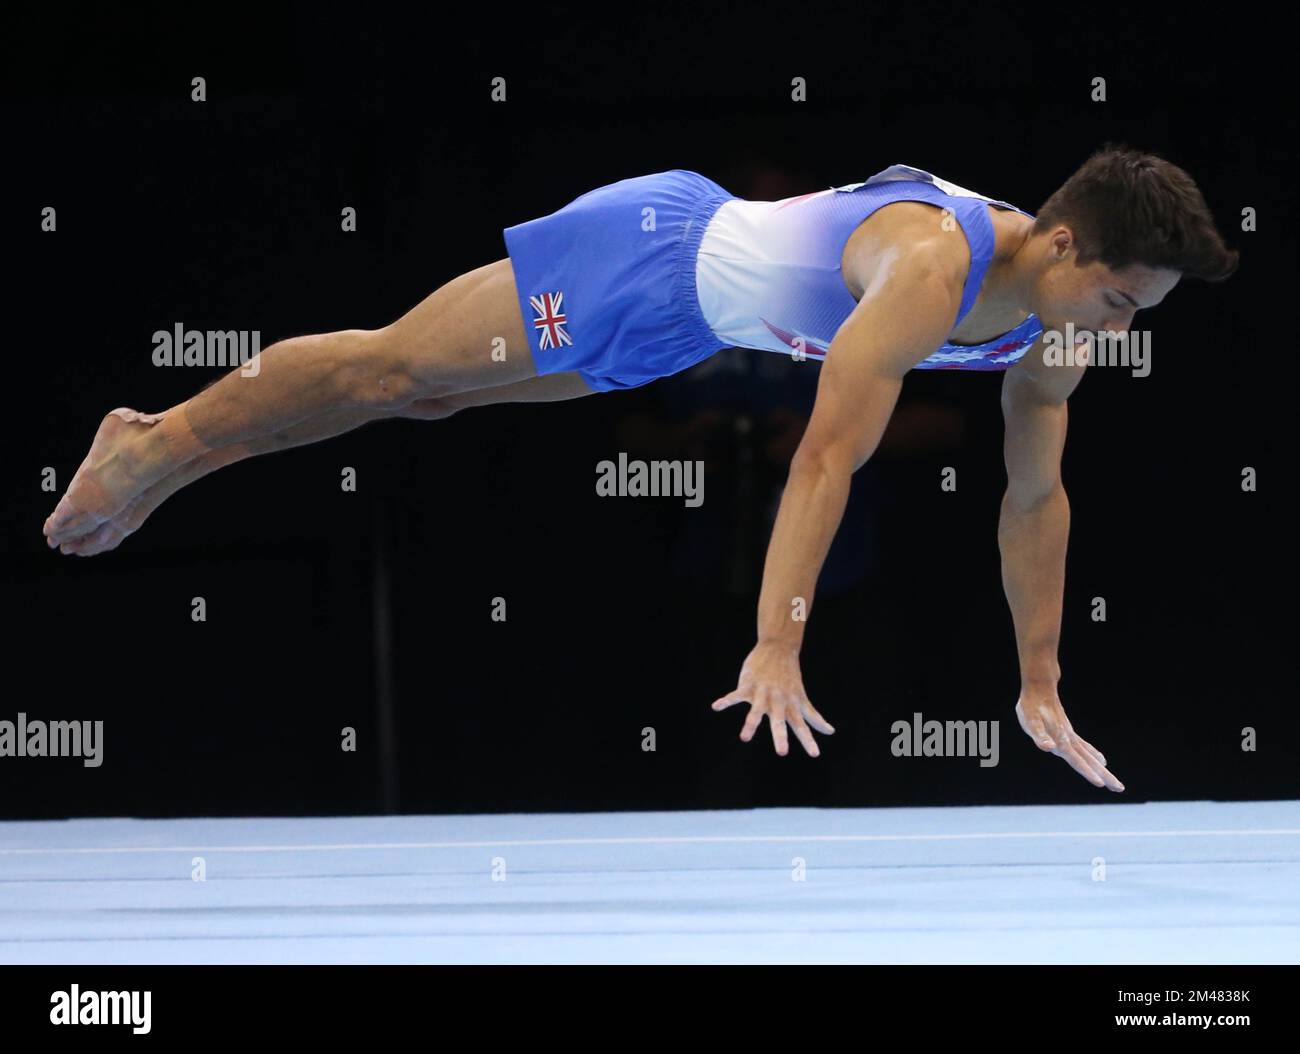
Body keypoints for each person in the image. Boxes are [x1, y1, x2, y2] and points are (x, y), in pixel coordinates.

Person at [42, 145, 1238, 788]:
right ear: (1065, 241)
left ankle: (172, 452)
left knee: (430, 406)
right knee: (393, 371)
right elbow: (826, 454)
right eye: (1120, 298)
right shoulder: (933, 265)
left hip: (688, 327)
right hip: (648, 252)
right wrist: (778, 639)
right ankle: (157, 442)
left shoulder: (1059, 332)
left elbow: (1037, 494)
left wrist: (1038, 676)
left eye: (1144, 314)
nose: (1121, 329)